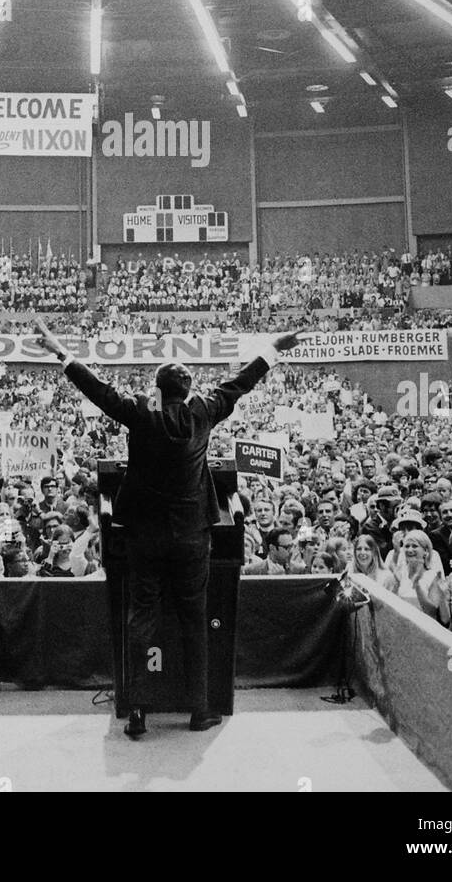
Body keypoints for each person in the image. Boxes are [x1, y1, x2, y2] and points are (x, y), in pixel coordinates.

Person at [35, 316, 301, 738]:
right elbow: (239, 384)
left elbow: (98, 389)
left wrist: (60, 353)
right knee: (194, 618)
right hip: (193, 537)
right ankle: (199, 709)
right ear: (189, 391)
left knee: (142, 617)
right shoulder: (203, 413)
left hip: (144, 537)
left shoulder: (141, 414)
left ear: (159, 391)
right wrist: (274, 347)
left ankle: (138, 709)